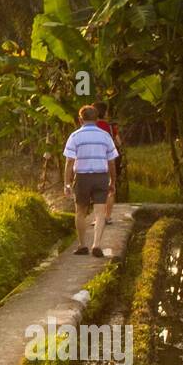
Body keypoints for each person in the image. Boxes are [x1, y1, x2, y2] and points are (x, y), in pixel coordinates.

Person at [63, 104, 119, 257]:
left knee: (80, 212)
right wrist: (112, 182)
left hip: (82, 178)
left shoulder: (75, 136)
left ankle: (82, 245)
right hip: (101, 177)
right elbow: (112, 162)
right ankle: (96, 244)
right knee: (100, 213)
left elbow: (69, 162)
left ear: (80, 120)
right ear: (96, 119)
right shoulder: (105, 136)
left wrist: (66, 183)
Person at [93, 100, 124, 223]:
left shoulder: (91, 126)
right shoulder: (111, 127)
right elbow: (119, 143)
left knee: (96, 189)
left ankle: (98, 218)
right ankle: (108, 216)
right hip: (110, 159)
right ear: (105, 112)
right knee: (110, 187)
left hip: (96, 160)